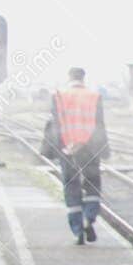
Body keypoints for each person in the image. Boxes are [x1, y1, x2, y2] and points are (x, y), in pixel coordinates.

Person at [42, 66, 110, 244]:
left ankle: (78, 231)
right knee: (92, 184)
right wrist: (104, 150)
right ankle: (90, 217)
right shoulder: (94, 96)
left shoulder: (58, 96)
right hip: (90, 148)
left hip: (67, 148)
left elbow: (55, 124)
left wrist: (52, 149)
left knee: (71, 187)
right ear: (83, 78)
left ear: (69, 77)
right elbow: (100, 124)